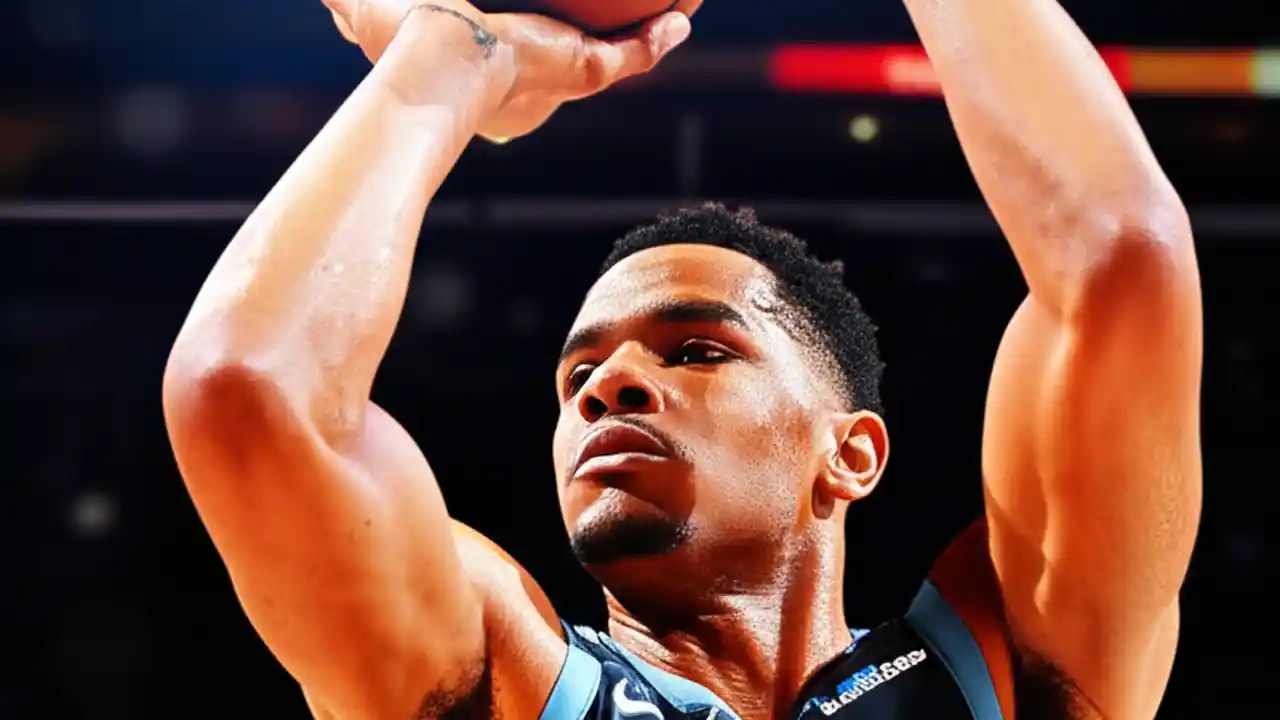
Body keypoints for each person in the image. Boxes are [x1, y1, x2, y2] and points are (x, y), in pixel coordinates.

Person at [161, 0, 1203, 718]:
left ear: (850, 455)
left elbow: (1123, 264)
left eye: (698, 349)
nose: (607, 388)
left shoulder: (1002, 675)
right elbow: (246, 394)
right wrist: (454, 58)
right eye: (576, 380)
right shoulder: (505, 682)